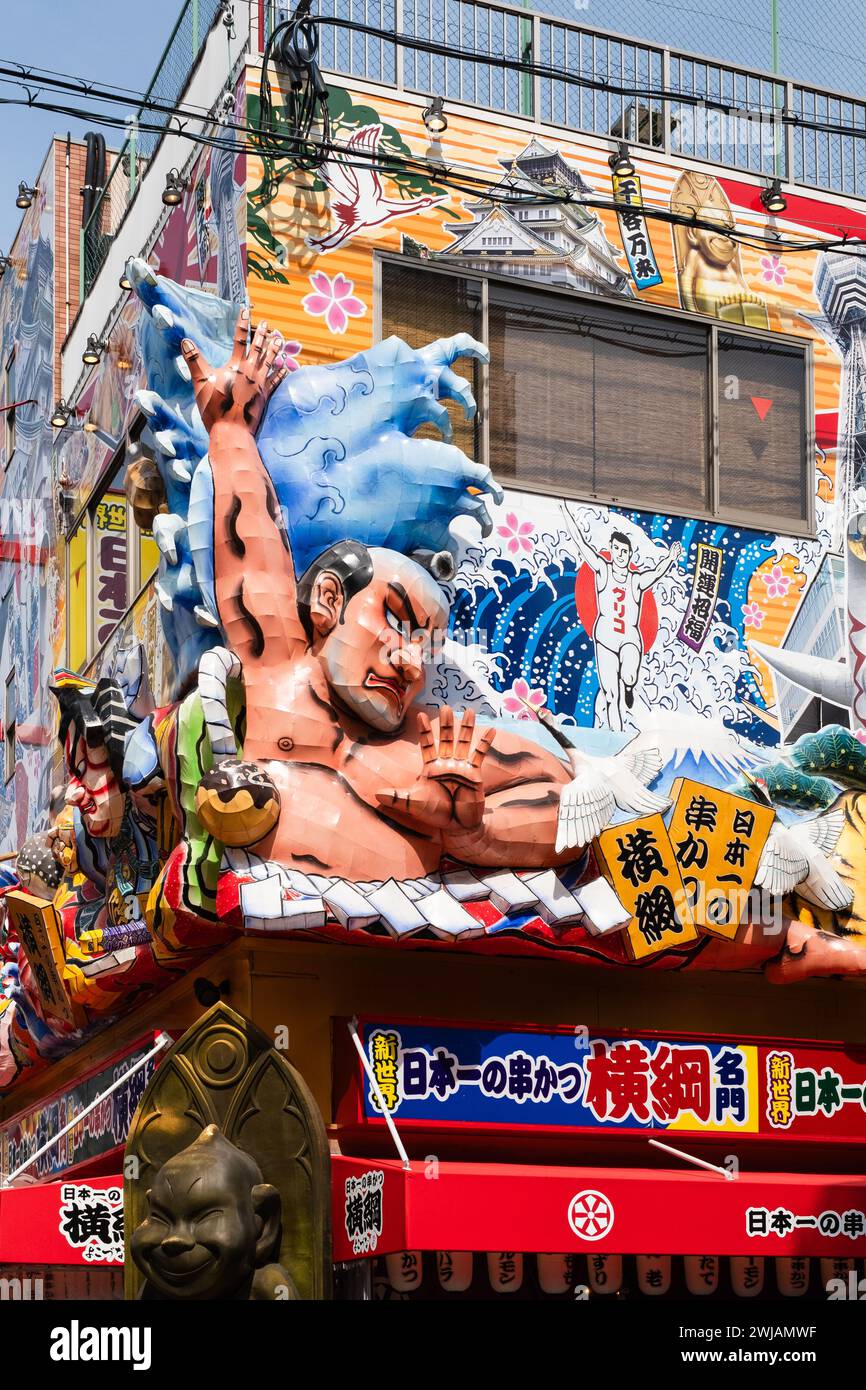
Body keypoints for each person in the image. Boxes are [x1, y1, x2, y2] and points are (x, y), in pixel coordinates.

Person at [178, 312, 577, 883]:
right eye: (398, 623)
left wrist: (475, 829)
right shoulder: (275, 664)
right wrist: (229, 428)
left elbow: (567, 796)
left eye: (428, 646)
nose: (412, 661)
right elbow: (249, 542)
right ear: (328, 600)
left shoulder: (431, 744)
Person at [564, 502, 681, 732]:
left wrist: (670, 557)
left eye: (625, 551)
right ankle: (616, 738)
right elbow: (581, 542)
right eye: (617, 550)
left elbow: (656, 573)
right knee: (610, 695)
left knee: (628, 676)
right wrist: (564, 512)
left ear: (629, 555)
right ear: (611, 549)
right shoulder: (602, 569)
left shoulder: (636, 580)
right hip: (605, 638)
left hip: (629, 638)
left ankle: (629, 686)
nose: (620, 555)